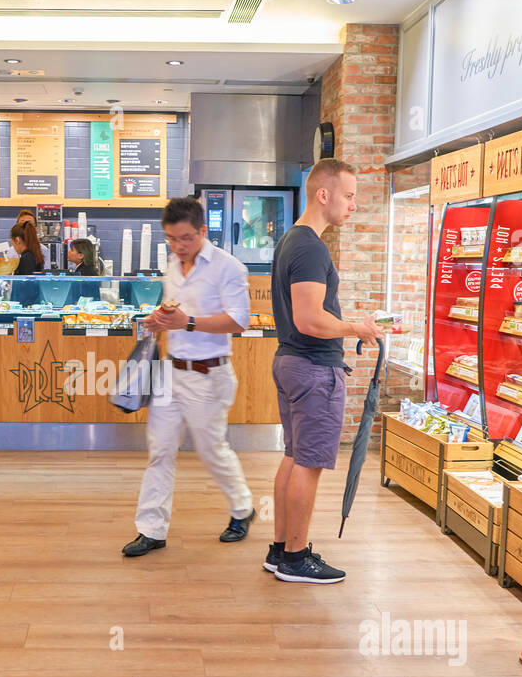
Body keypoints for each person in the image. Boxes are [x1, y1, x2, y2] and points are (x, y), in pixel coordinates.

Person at [121, 196, 255, 557]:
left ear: (202, 231)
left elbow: (239, 319)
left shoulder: (228, 267)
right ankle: (151, 529)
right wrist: (157, 319)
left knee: (212, 451)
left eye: (185, 238)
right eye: (171, 239)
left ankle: (242, 508)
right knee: (159, 451)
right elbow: (173, 310)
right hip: (170, 372)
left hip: (209, 375)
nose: (179, 247)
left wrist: (189, 322)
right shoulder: (171, 265)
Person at [268, 159, 380, 584]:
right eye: (349, 196)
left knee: (294, 457)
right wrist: (356, 327)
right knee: (308, 464)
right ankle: (295, 559)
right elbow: (310, 319)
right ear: (323, 194)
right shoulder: (311, 246)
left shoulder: (291, 242)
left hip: (292, 363)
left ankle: (280, 550)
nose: (353, 204)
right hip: (313, 367)